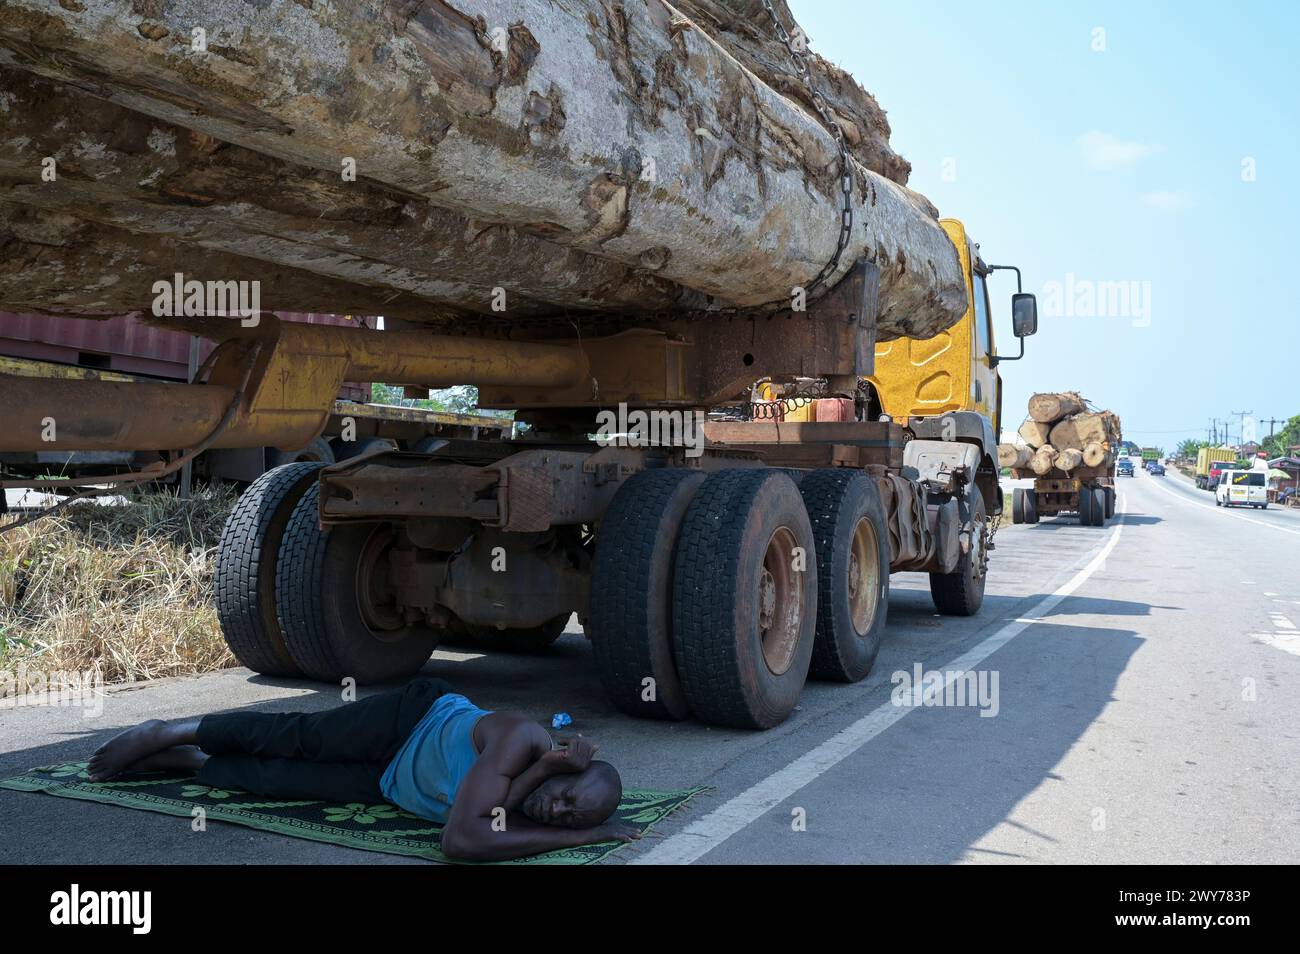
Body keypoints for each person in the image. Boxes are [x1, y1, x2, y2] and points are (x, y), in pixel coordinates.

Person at [87, 678, 639, 860]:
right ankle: (172, 730)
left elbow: (478, 828)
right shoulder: (521, 738)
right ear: (564, 766)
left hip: (392, 785)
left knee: (274, 782)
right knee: (298, 738)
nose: (556, 812)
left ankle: (186, 760)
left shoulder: (530, 794)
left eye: (567, 820)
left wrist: (558, 807)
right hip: (409, 722)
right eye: (566, 797)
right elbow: (463, 839)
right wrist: (585, 832)